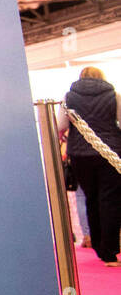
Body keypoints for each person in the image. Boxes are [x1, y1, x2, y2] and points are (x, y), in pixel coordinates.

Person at [58, 66, 121, 266]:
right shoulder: (113, 95)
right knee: (110, 199)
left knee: (90, 199)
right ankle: (110, 250)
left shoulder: (69, 97)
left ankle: (99, 246)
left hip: (80, 153)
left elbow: (60, 125)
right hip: (109, 152)